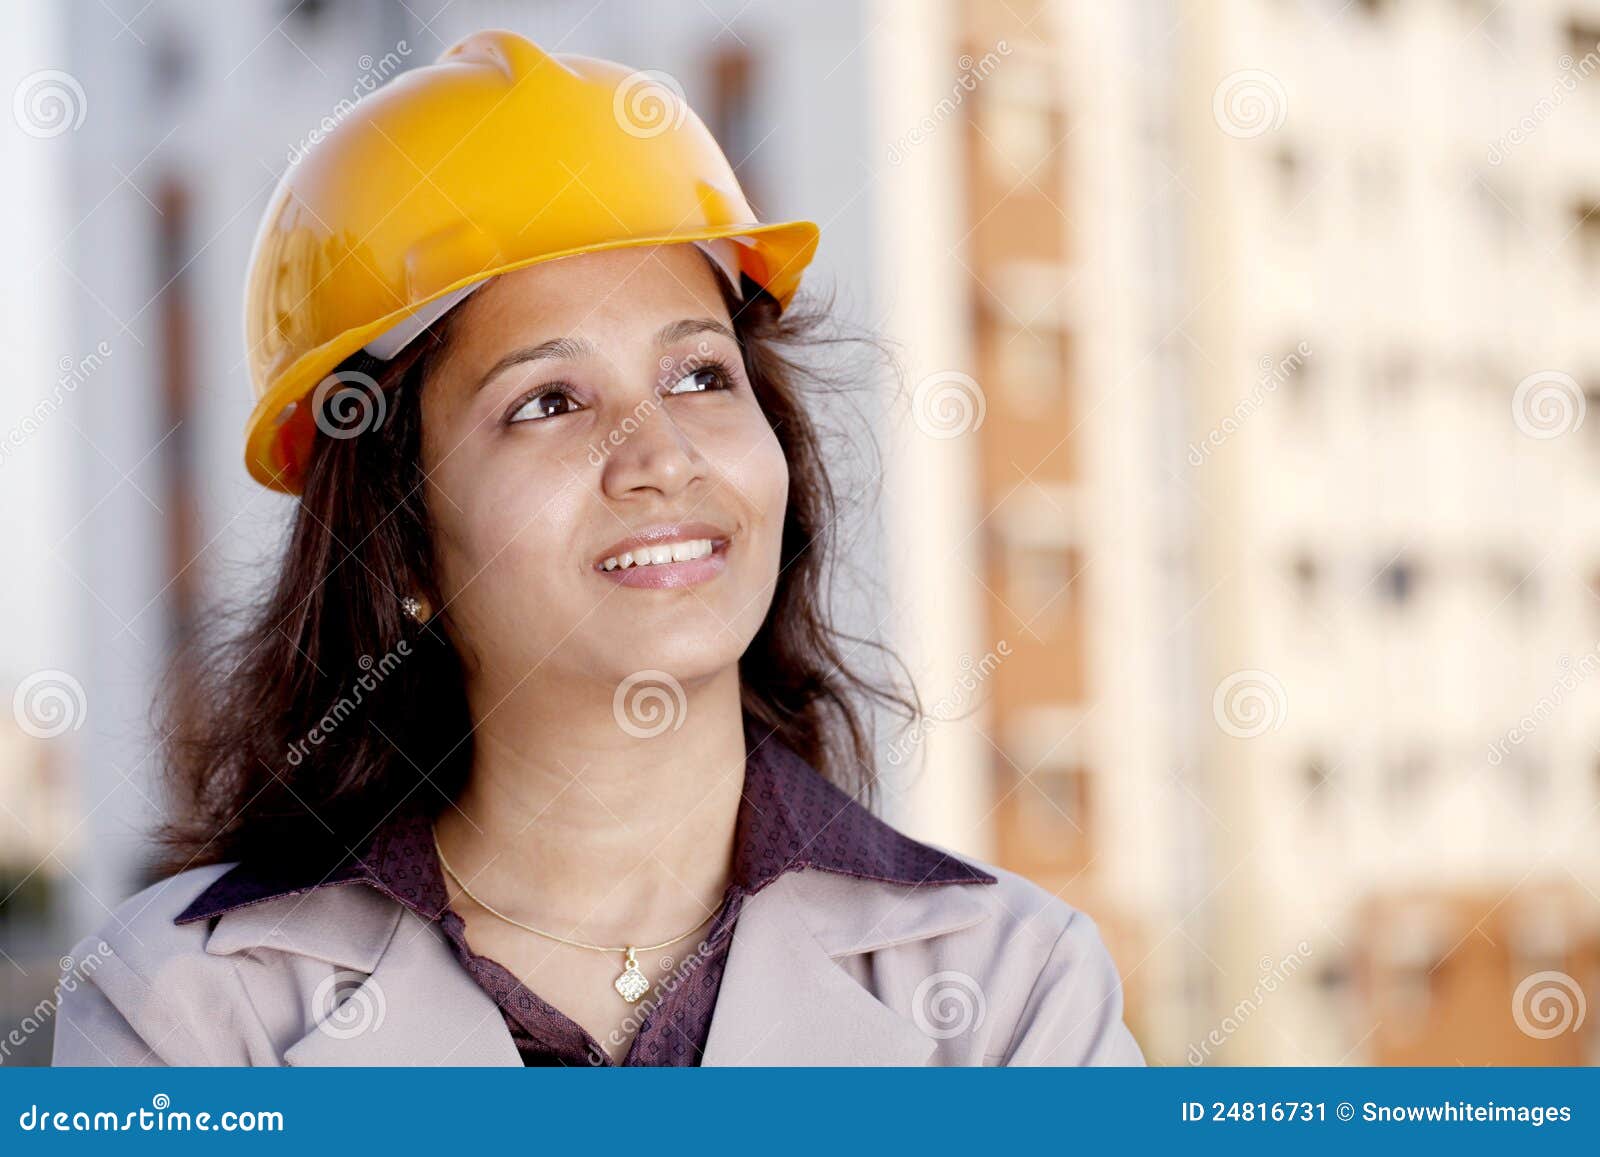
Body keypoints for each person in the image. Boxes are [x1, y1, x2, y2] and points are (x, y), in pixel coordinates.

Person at [50, 28, 1144, 1068]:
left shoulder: (1012, 991)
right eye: (549, 400)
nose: (659, 456)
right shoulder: (185, 1011)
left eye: (699, 375)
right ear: (404, 547)